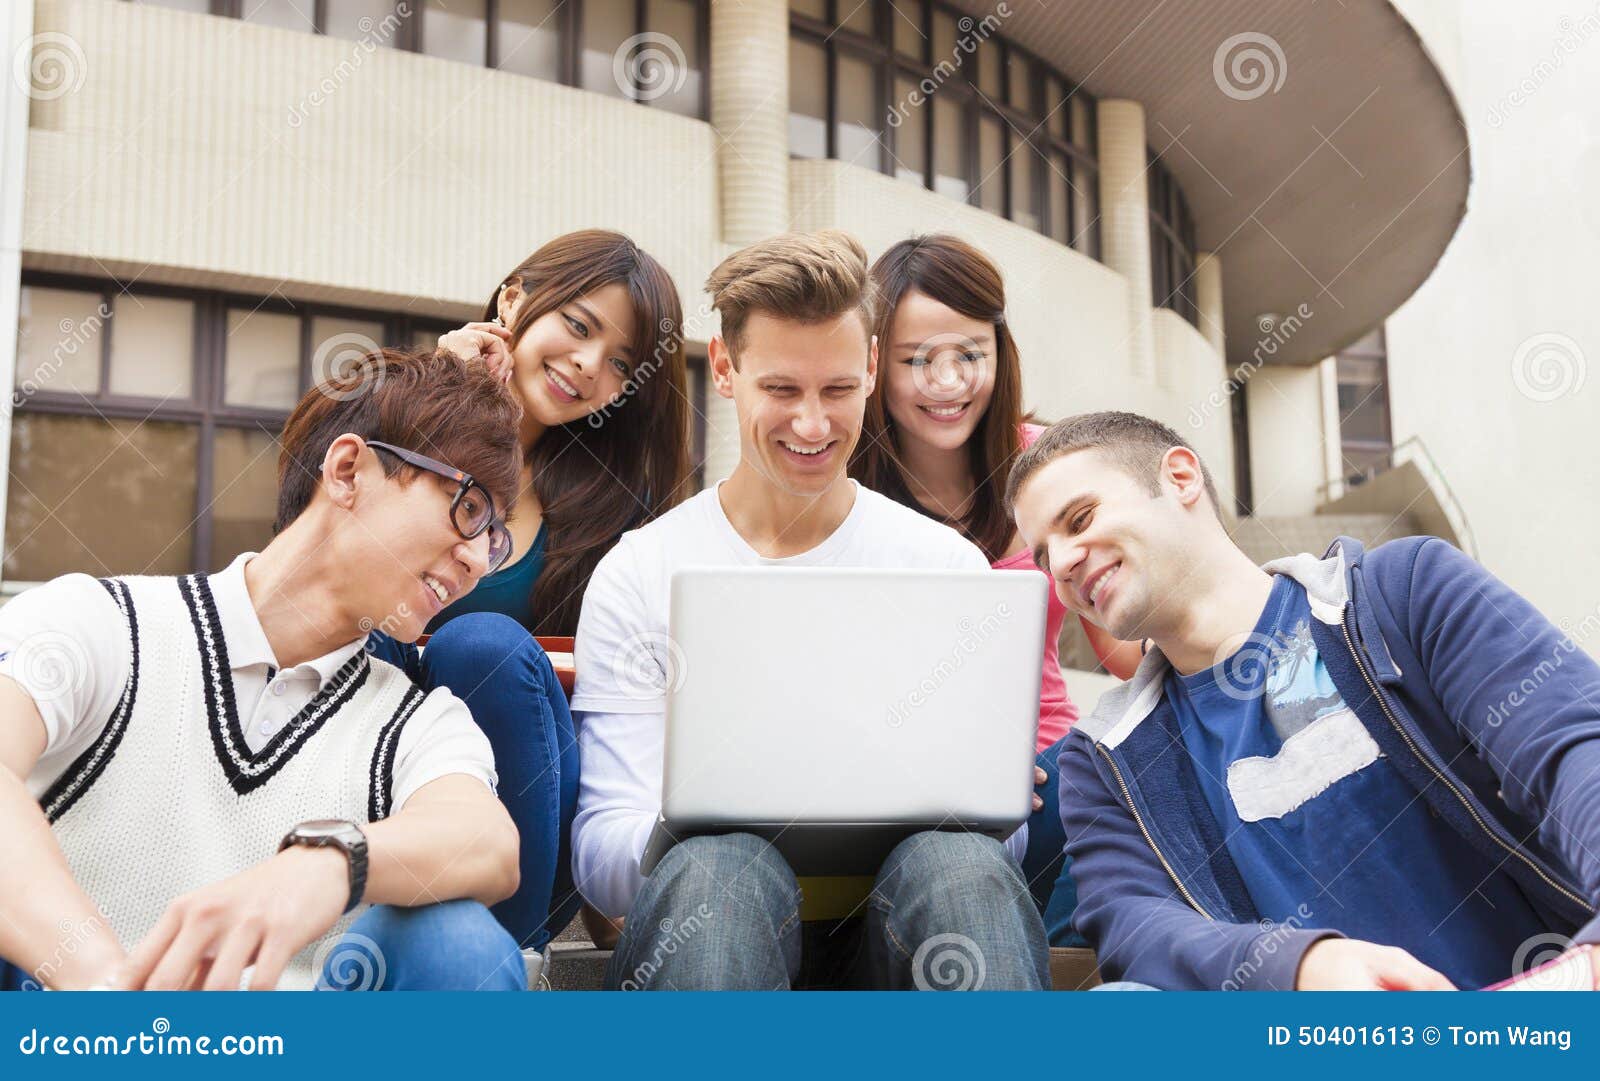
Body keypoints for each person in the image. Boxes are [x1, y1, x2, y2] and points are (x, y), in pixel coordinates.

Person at [570, 230, 1049, 990]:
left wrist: (990, 804)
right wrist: (687, 821)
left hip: (900, 928)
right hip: (712, 927)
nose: (814, 426)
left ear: (868, 369)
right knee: (717, 872)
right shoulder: (641, 571)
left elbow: (1006, 854)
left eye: (836, 390)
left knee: (961, 866)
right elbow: (599, 855)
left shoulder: (946, 567)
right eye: (783, 391)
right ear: (725, 370)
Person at [1007, 410, 1600, 991]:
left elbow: (1572, 751)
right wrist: (1297, 967)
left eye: (1080, 519)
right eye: (1043, 555)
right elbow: (1137, 929)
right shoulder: (1103, 761)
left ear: (1180, 478)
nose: (1061, 564)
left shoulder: (1403, 594)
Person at [0, 348, 527, 991]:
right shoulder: (104, 624)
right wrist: (106, 988)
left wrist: (335, 859)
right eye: (468, 508)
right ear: (348, 469)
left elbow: (486, 839)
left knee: (459, 945)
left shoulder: (417, 720)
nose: (477, 558)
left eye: (494, 536)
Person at [365, 230, 692, 954]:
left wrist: (617, 895)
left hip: (513, 809)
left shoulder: (612, 504)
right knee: (373, 629)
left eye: (621, 364)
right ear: (514, 297)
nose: (587, 365)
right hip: (362, 769)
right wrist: (435, 404)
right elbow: (323, 571)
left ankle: (510, 960)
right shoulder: (387, 410)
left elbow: (617, 699)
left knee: (482, 646)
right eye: (578, 326)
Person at [848, 235, 1140, 944]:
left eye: (969, 355)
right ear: (875, 362)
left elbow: (1128, 651)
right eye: (917, 360)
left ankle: (1070, 979)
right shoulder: (843, 481)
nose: (947, 382)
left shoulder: (1047, 467)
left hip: (1048, 776)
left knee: (1113, 774)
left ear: (999, 353)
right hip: (904, 787)